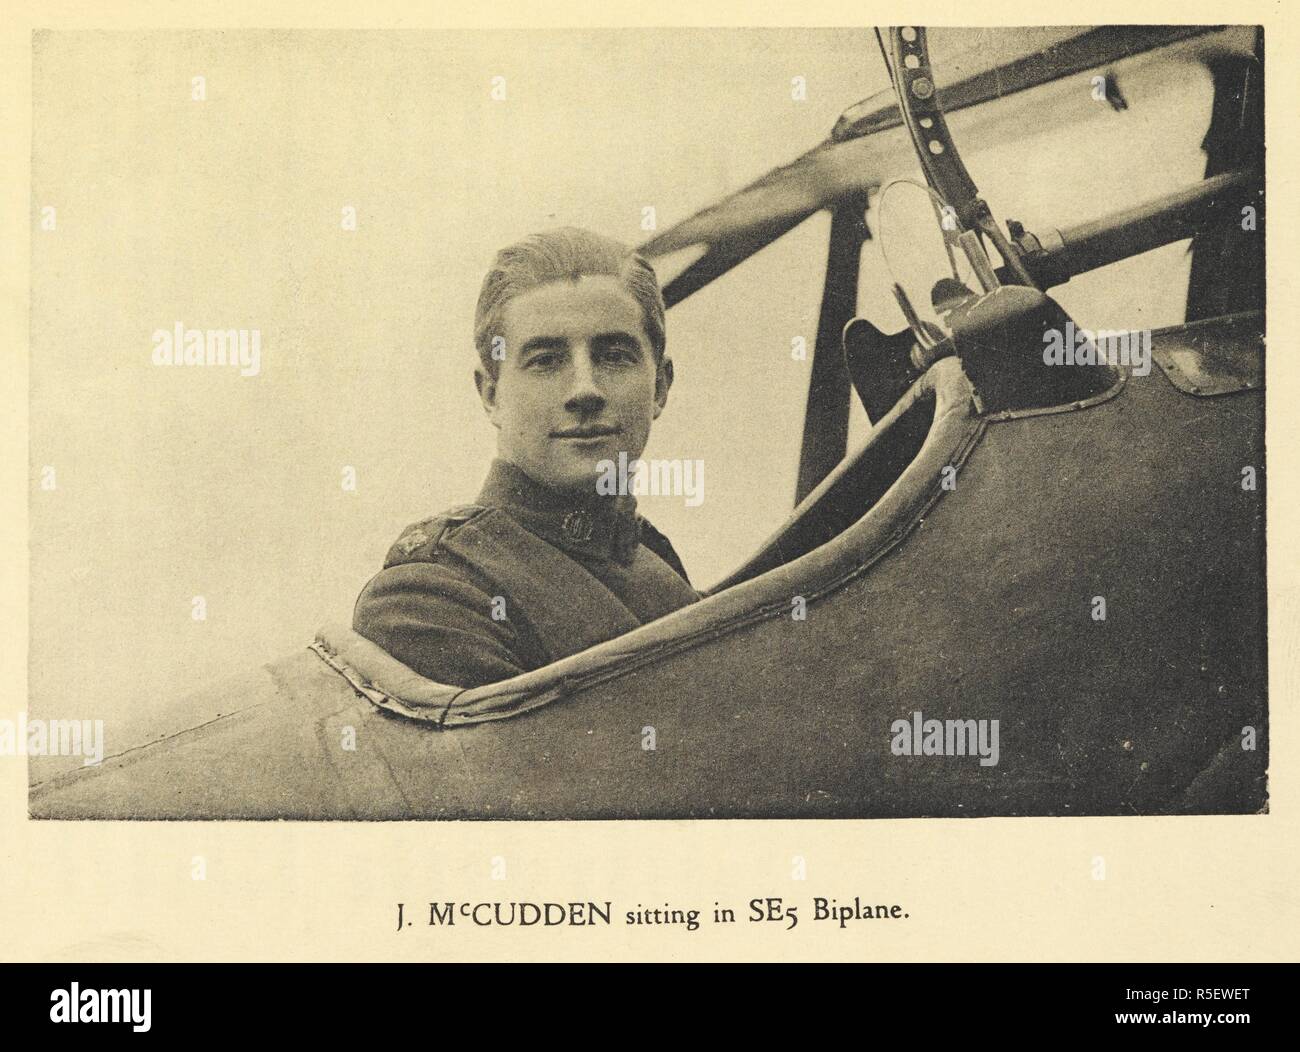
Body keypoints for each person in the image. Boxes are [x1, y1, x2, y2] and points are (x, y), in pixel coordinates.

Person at [353, 227, 699, 688]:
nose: (585, 390)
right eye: (545, 361)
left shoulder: (649, 559)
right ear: (491, 394)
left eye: (614, 356)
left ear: (660, 386)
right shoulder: (433, 595)